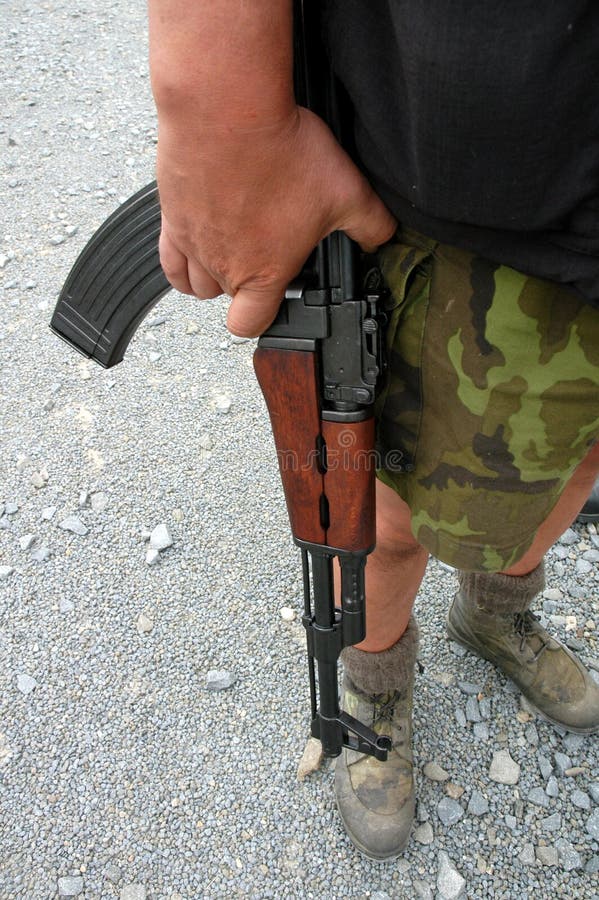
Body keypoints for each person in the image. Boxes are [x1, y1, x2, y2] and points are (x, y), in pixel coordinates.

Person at [148, 1, 599, 859]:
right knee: (385, 520)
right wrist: (214, 106)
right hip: (463, 192)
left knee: (572, 461)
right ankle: (374, 680)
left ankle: (495, 613)